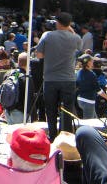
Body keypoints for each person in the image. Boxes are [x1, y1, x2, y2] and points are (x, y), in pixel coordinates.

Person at [35, 12, 82, 140]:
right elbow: (80, 47)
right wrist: (70, 30)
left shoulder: (47, 35)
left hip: (50, 79)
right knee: (67, 110)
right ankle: (65, 137)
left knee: (50, 110)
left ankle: (52, 136)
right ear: (69, 24)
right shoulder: (76, 38)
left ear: (57, 22)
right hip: (68, 79)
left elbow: (39, 55)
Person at [76, 54, 107, 119]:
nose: (93, 62)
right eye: (92, 61)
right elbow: (98, 90)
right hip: (88, 101)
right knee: (88, 122)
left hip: (80, 100)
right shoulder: (91, 74)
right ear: (89, 62)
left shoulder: (78, 73)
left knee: (95, 120)